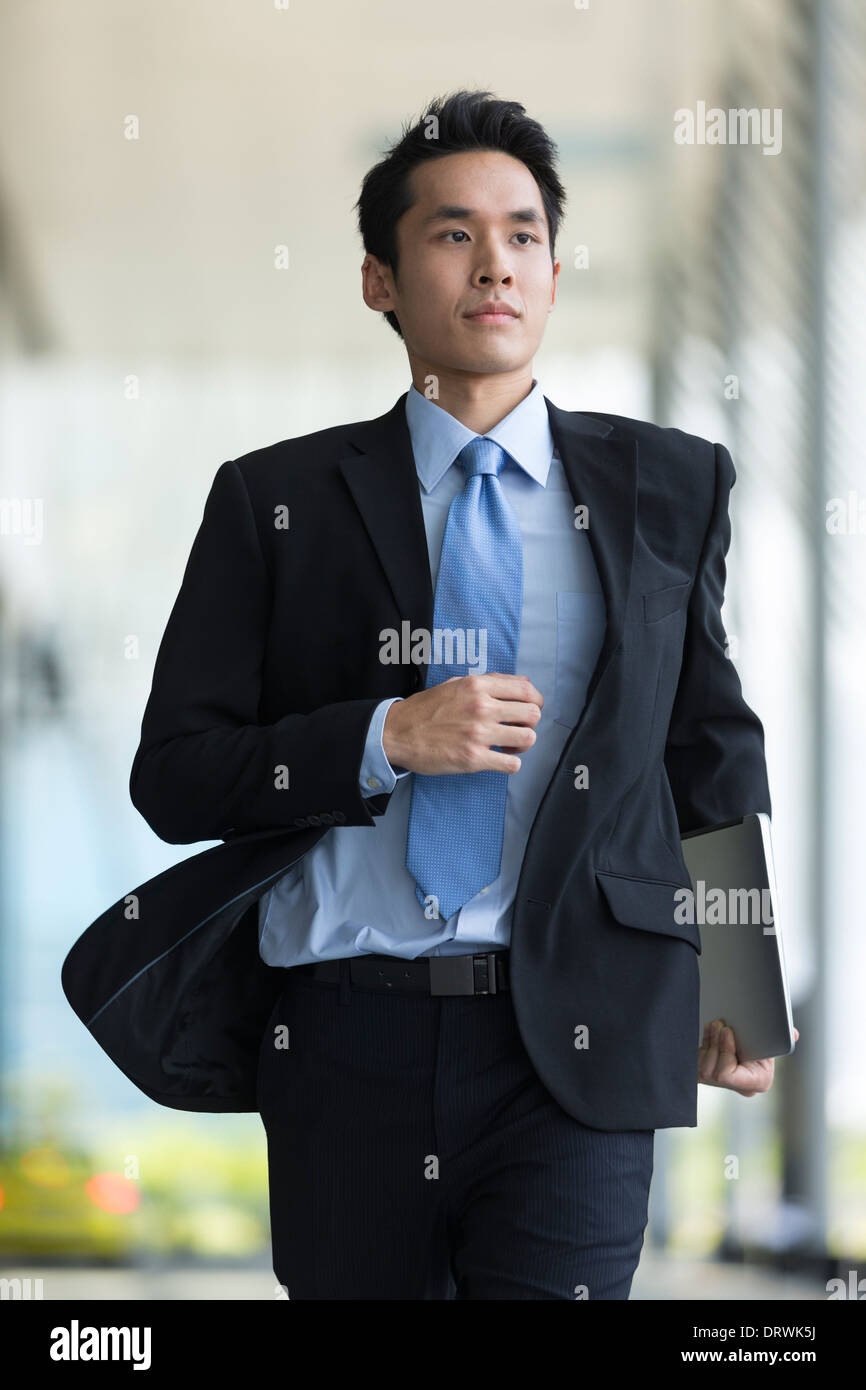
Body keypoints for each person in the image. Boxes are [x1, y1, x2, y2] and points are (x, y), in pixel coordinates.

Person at [62, 89, 796, 1301]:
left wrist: (740, 976)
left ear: (554, 274)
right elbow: (176, 774)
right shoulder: (272, 502)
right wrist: (381, 736)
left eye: (521, 235)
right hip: (346, 1033)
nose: (493, 263)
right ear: (379, 280)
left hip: (576, 1036)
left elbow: (706, 743)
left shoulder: (666, 485)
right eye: (452, 234)